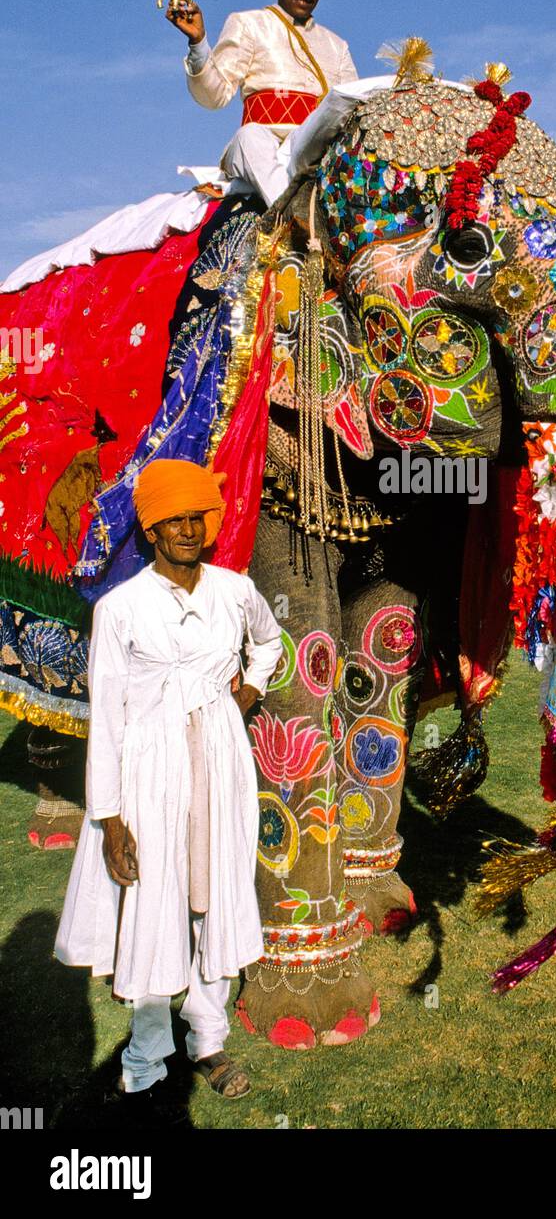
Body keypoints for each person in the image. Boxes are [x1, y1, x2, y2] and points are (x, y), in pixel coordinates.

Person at [55, 460, 283, 1100]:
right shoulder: (120, 609)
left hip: (220, 761)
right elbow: (107, 716)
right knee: (153, 906)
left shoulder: (234, 592)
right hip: (148, 771)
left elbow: (268, 641)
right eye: (172, 520)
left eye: (196, 517)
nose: (187, 529)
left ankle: (207, 1039)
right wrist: (111, 818)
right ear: (151, 529)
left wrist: (250, 690)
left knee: (217, 891)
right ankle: (148, 1050)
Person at [168, 0, 358, 207]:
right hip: (258, 152)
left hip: (313, 158)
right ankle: (289, 217)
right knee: (251, 136)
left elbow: (354, 114)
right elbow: (213, 96)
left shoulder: (337, 47)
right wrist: (197, 42)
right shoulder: (249, 24)